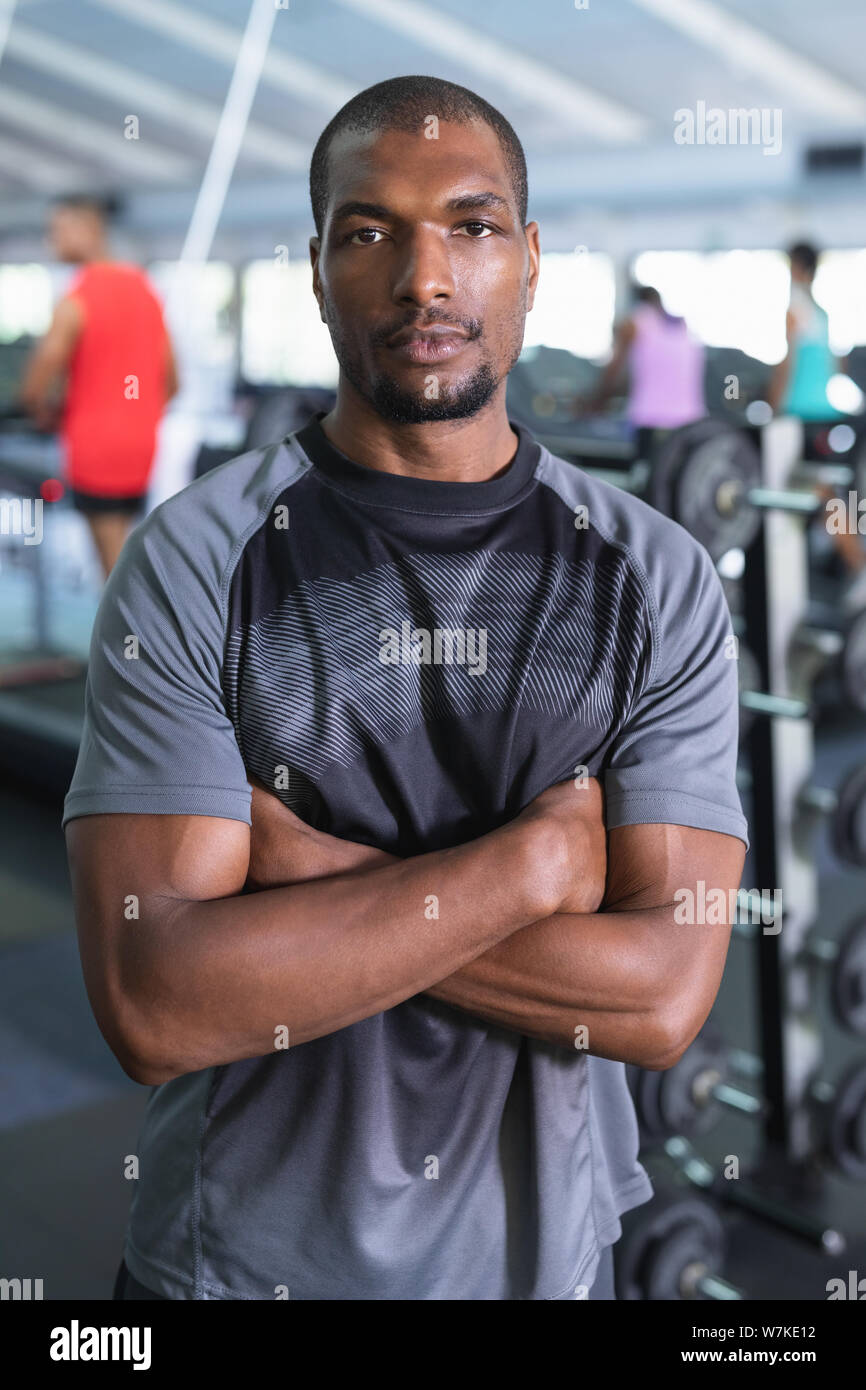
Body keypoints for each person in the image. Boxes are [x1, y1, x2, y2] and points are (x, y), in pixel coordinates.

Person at [63, 76, 748, 1303]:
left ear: (530, 262)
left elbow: (658, 1001)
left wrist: (322, 881)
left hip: (543, 1268)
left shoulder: (656, 577)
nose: (424, 279)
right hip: (234, 1271)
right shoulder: (197, 558)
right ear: (318, 268)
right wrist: (526, 871)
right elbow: (157, 1001)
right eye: (368, 230)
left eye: (471, 227)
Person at [18, 193, 179, 578]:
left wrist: (43, 411)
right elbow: (172, 381)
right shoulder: (145, 290)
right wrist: (134, 416)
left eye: (58, 230)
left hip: (95, 448)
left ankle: (129, 638)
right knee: (124, 549)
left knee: (111, 569)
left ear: (89, 229)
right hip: (141, 446)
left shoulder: (77, 298)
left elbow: (35, 385)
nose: (50, 241)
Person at [767, 241, 866, 608]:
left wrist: (772, 407)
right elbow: (837, 366)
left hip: (801, 415)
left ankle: (856, 563)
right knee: (826, 491)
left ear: (797, 267)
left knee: (824, 493)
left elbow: (786, 364)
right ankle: (843, 563)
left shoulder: (795, 308)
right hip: (825, 412)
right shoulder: (822, 312)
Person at [574, 283, 706, 481]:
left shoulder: (635, 323)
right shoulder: (682, 328)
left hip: (653, 424)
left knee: (649, 486)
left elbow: (612, 373)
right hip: (692, 423)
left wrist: (592, 405)